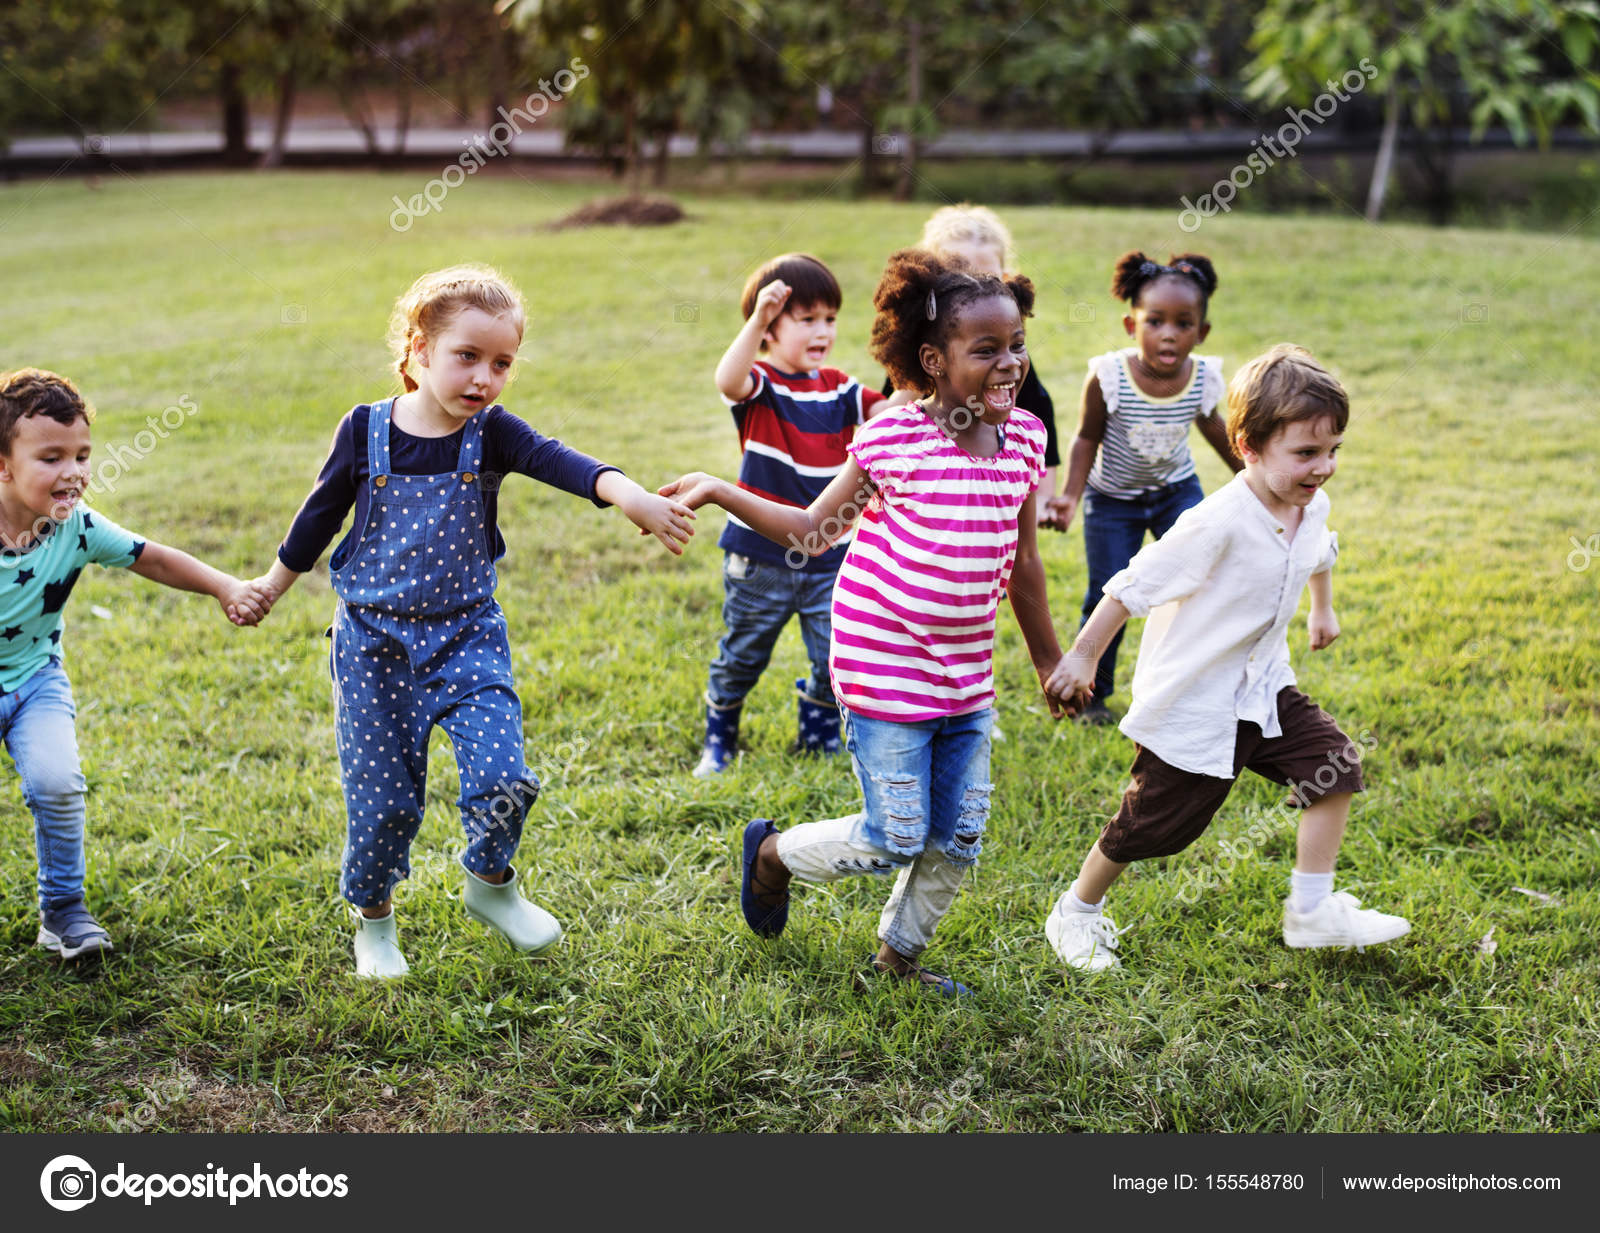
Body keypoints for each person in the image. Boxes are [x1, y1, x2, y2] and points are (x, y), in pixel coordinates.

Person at [249, 265, 695, 979]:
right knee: (384, 801)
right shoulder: (365, 432)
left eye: (502, 363)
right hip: (375, 648)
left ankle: (491, 884)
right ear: (419, 349)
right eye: (468, 356)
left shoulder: (492, 434)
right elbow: (319, 515)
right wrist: (271, 585)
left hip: (466, 639)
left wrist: (632, 496)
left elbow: (564, 462)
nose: (485, 377)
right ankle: (375, 923)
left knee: (505, 775)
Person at [663, 249, 1073, 997]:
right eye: (986, 349)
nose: (1010, 362)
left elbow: (1022, 560)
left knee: (960, 836)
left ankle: (898, 962)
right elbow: (815, 532)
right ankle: (773, 855)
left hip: (965, 678)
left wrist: (1049, 662)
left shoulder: (1024, 442)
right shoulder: (896, 440)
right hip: (882, 666)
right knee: (896, 835)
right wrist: (722, 489)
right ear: (932, 359)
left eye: (1017, 344)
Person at [1042, 344, 1410, 972]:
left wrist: (1322, 609)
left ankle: (1312, 912)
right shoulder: (1215, 524)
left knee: (1333, 765)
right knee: (1155, 824)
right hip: (1198, 700)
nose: (1322, 468)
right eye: (1305, 453)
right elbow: (1130, 586)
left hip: (1264, 687)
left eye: (1332, 451)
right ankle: (1075, 911)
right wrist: (1081, 659)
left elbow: (1320, 550)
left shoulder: (1307, 503)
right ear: (1247, 445)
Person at [0, 368, 267, 960]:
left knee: (58, 784)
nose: (72, 472)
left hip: (35, 680)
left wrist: (225, 586)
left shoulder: (78, 527)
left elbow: (154, 559)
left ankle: (64, 912)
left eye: (82, 455)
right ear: (4, 465)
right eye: (51, 457)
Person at [695, 253, 885, 777]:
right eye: (806, 319)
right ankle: (720, 738)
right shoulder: (761, 385)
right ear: (769, 333)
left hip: (831, 556)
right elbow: (727, 380)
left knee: (835, 656)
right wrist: (756, 318)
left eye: (829, 319)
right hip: (759, 558)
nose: (822, 330)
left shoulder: (843, 389)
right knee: (743, 654)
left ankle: (818, 735)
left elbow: (895, 414)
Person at [1056, 251, 1241, 725]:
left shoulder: (1201, 377)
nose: (1169, 333)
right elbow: (1085, 438)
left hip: (1175, 494)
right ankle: (1091, 694)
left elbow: (1214, 430)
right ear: (1130, 324)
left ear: (1201, 333)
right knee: (1107, 591)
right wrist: (1070, 496)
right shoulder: (1109, 376)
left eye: (1184, 324)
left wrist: (1255, 477)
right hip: (1113, 501)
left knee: (1201, 580)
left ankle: (1194, 684)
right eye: (1155, 321)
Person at [881, 205, 1063, 526]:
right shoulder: (920, 357)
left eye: (988, 279)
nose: (975, 291)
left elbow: (1040, 421)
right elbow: (884, 422)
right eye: (958, 278)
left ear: (1006, 281)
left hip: (991, 501)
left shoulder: (1007, 363)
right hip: (930, 501)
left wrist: (1045, 499)